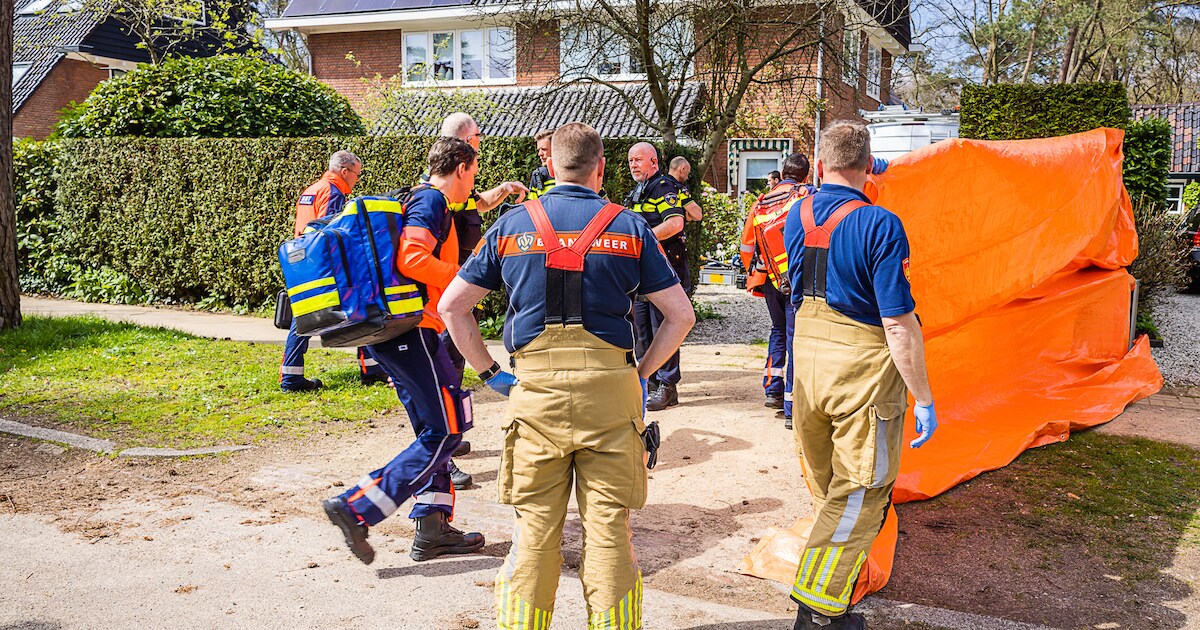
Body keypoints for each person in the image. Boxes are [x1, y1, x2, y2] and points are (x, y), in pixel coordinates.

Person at [439, 122, 695, 628]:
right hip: (611, 396)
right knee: (608, 532)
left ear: (550, 165)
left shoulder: (511, 225)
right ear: (601, 169)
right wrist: (640, 374)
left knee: (533, 531)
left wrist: (491, 374)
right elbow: (680, 315)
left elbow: (453, 307)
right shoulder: (629, 225)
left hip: (534, 395)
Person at [782, 121, 936, 629]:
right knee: (862, 489)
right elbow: (897, 322)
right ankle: (819, 610)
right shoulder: (882, 225)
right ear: (868, 166)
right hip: (862, 375)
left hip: (808, 368)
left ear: (820, 165)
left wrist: (869, 169)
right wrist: (925, 397)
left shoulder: (795, 213)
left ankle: (833, 599)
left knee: (831, 488)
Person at [321, 137, 486, 566]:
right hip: (411, 332)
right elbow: (413, 258)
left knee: (439, 427)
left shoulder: (419, 199)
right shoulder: (431, 202)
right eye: (474, 171)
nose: (473, 184)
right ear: (462, 168)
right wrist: (467, 277)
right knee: (446, 431)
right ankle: (357, 507)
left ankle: (432, 528)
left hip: (406, 331)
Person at [426, 113, 529, 489]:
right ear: (464, 142)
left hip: (453, 296)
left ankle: (447, 442)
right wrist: (459, 280)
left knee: (452, 371)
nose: (481, 143)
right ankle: (442, 455)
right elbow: (414, 256)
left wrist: (502, 190)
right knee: (445, 377)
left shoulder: (455, 186)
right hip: (443, 302)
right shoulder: (436, 197)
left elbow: (477, 204)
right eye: (479, 138)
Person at [280, 150, 386, 392]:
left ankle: (291, 376)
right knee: (362, 306)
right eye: (356, 175)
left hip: (303, 264)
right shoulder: (333, 192)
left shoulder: (312, 190)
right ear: (345, 171)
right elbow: (330, 230)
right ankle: (370, 370)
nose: (357, 180)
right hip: (324, 267)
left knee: (304, 319)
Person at [739, 153, 816, 428]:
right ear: (805, 175)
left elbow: (747, 244)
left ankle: (772, 388)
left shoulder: (761, 201)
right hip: (796, 278)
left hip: (769, 277)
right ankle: (791, 406)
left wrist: (757, 273)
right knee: (796, 336)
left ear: (782, 173)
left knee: (777, 330)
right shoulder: (806, 194)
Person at [625, 142, 691, 411]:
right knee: (641, 331)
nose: (633, 165)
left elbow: (676, 223)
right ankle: (647, 382)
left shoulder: (663, 186)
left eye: (638, 160)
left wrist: (642, 239)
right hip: (641, 272)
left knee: (663, 328)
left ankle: (667, 386)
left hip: (663, 269)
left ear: (653, 161)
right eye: (630, 161)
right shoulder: (637, 191)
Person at [666, 155, 704, 222]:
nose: (687, 177)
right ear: (682, 169)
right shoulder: (678, 188)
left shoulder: (659, 185)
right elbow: (698, 215)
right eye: (688, 173)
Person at [526, 128, 556, 200]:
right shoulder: (537, 175)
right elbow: (533, 206)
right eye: (538, 150)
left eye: (544, 149)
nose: (540, 154)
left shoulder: (573, 172)